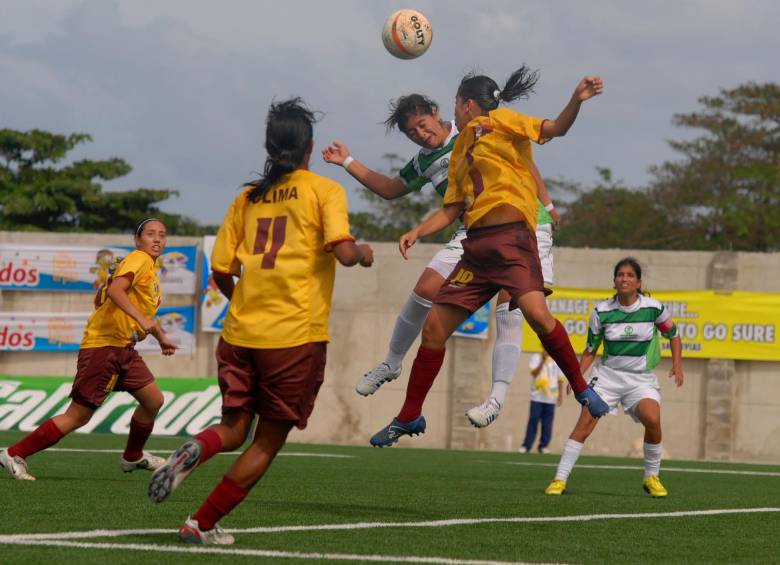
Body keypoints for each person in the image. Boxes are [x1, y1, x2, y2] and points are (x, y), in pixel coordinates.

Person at [148, 98, 374, 546]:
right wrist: (364, 252)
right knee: (266, 442)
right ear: (309, 149)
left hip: (240, 335)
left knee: (232, 428)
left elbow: (221, 271)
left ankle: (200, 447)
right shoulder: (324, 191)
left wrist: (242, 304)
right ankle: (201, 523)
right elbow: (344, 253)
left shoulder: (247, 197)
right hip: (293, 338)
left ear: (270, 148)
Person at [370, 66, 609, 447]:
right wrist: (417, 231)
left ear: (467, 104)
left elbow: (554, 129)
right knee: (434, 328)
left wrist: (575, 100)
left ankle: (581, 389)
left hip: (513, 240)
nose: (454, 111)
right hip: (476, 249)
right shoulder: (462, 144)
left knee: (536, 315)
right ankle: (409, 414)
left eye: (455, 104)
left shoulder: (504, 120)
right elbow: (451, 209)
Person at [322, 93, 559, 428]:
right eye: (411, 132)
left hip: (523, 223)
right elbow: (391, 188)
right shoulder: (424, 160)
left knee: (514, 304)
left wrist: (547, 205)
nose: (419, 133)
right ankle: (391, 363)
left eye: (422, 124)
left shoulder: (475, 128)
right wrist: (347, 162)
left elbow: (525, 159)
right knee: (425, 287)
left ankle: (496, 398)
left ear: (436, 113)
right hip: (471, 229)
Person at [0, 218, 177, 481]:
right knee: (77, 416)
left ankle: (133, 456)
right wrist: (144, 321)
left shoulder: (147, 268)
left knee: (153, 400)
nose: (157, 239)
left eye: (162, 235)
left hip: (123, 348)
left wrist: (159, 334)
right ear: (137, 239)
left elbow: (109, 297)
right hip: (105, 347)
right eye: (150, 234)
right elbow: (117, 291)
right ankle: (14, 453)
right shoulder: (138, 258)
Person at [544, 257, 684, 497]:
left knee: (653, 418)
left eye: (630, 275)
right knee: (585, 423)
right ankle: (559, 479)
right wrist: (575, 376)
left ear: (638, 282)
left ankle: (652, 477)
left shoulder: (653, 308)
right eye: (620, 274)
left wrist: (677, 365)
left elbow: (674, 334)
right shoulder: (602, 311)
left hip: (639, 379)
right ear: (614, 281)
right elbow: (590, 350)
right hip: (607, 377)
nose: (625, 278)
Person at [518, 351, 564, 454]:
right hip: (537, 397)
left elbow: (560, 378)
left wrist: (560, 395)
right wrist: (543, 361)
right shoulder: (536, 357)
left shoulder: (557, 358)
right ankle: (526, 445)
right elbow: (534, 373)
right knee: (533, 420)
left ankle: (543, 446)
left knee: (547, 423)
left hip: (551, 397)